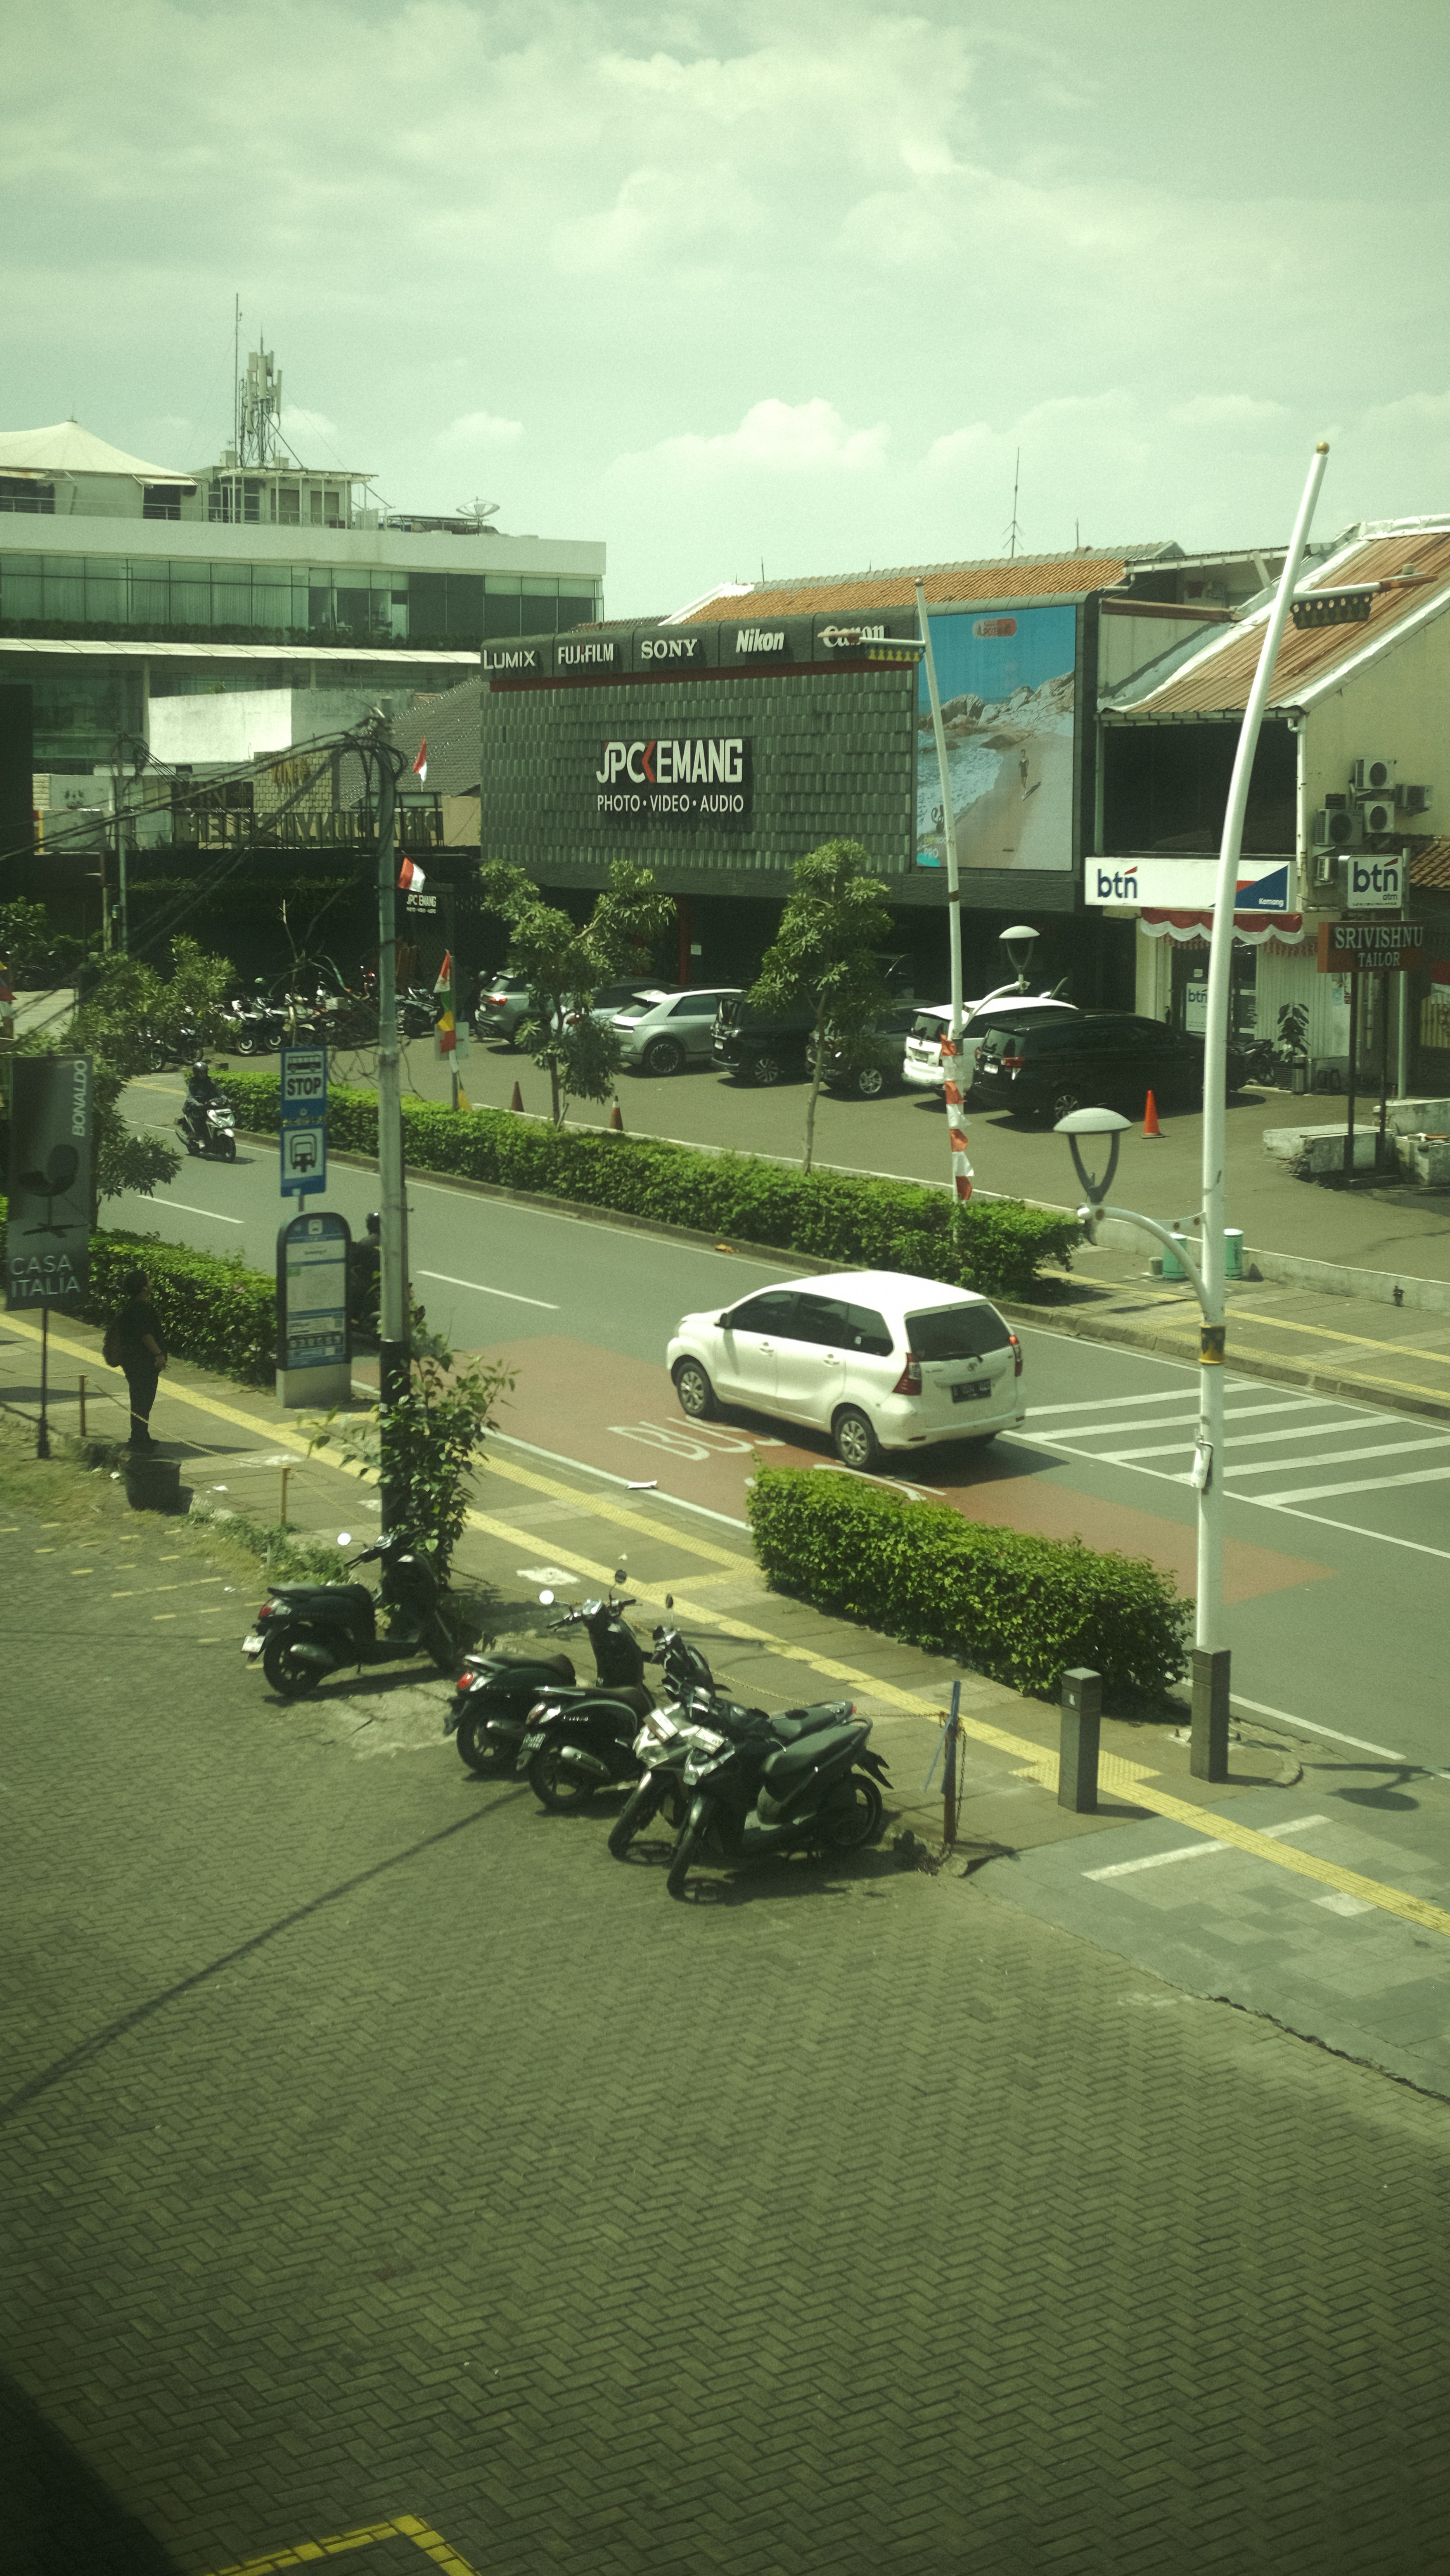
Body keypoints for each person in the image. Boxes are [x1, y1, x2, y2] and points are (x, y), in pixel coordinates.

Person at [114, 1269, 168, 1449]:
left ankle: (140, 1436)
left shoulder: (130, 1307)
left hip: (132, 1362)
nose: (151, 1284)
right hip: (143, 1363)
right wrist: (158, 1355)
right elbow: (146, 1335)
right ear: (144, 1288)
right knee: (143, 1401)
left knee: (139, 1400)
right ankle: (139, 1439)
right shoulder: (142, 1308)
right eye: (149, 1282)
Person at [183, 1058, 220, 1148]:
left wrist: (226, 1099)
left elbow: (219, 1093)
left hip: (208, 1105)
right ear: (197, 1073)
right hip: (195, 1107)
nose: (203, 1075)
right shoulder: (193, 1084)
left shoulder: (210, 1082)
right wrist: (197, 1104)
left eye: (204, 1072)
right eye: (201, 1073)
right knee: (200, 1118)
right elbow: (190, 1098)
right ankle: (200, 1138)